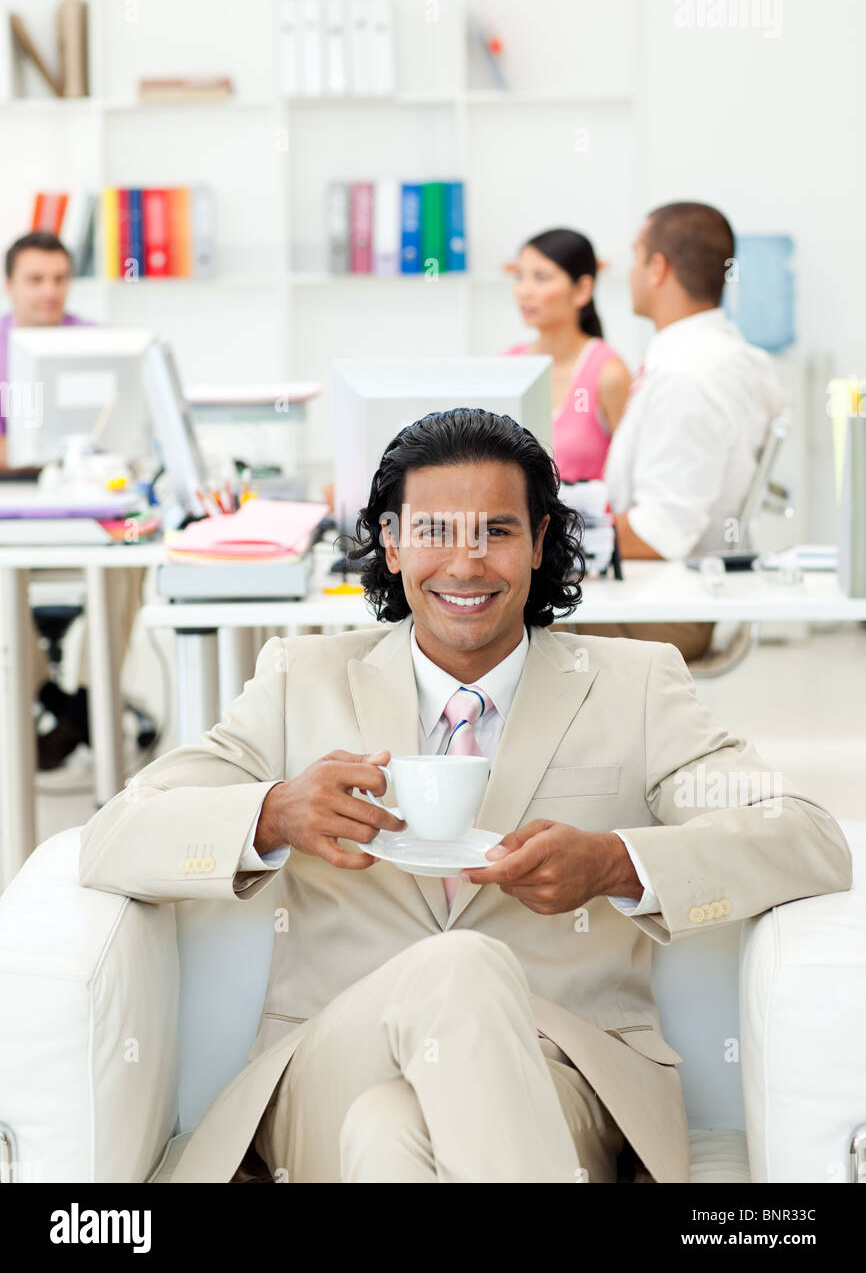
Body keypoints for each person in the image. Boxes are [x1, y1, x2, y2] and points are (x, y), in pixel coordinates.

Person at [78, 408, 851, 1185]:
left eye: (497, 531)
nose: (467, 562)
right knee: (456, 970)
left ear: (541, 541)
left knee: (389, 1134)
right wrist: (273, 813)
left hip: (555, 1074)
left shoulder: (636, 685)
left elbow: (807, 839)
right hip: (328, 1064)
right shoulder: (298, 679)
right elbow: (116, 834)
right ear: (391, 541)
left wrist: (617, 864)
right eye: (437, 531)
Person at [580, 202, 788, 662]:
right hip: (666, 592)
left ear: (658, 268)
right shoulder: (719, 355)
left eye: (635, 256)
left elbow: (661, 531)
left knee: (492, 611)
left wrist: (544, 536)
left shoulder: (689, 374)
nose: (629, 271)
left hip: (665, 608)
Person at [1, 230, 146, 769]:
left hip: (85, 505)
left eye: (59, 279)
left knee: (127, 564)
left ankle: (86, 698)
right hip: (13, 511)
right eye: (35, 280)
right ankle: (52, 697)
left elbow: (127, 429)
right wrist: (38, 450)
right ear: (10, 284)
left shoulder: (97, 343)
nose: (49, 292)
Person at [503, 228, 631, 481]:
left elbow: (631, 475)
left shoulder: (609, 374)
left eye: (541, 278)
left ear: (582, 289)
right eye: (519, 276)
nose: (523, 291)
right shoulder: (506, 366)